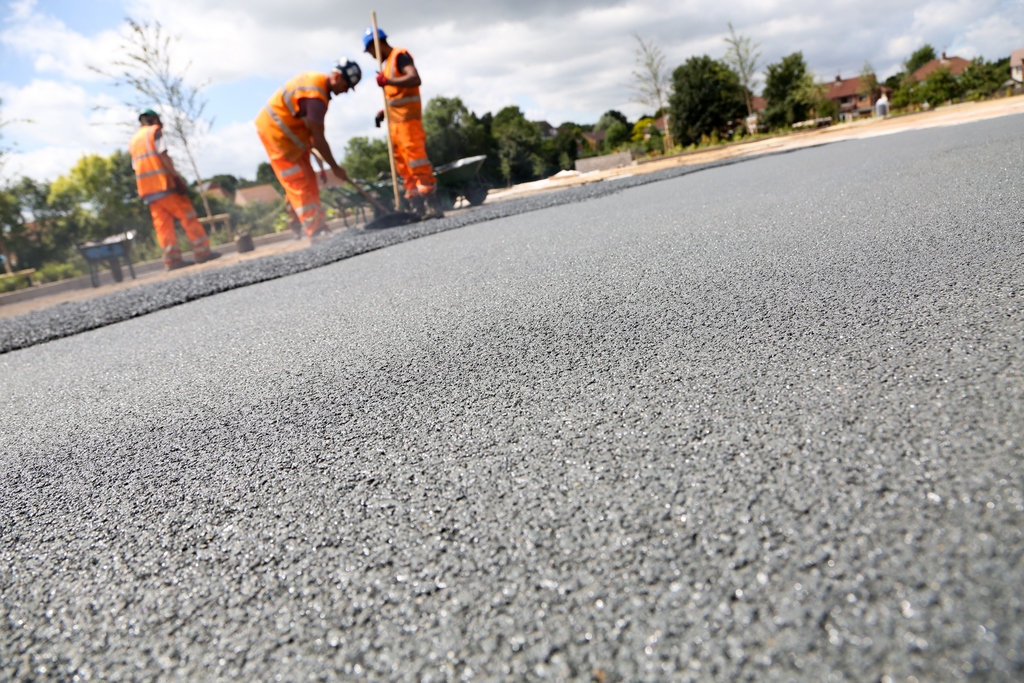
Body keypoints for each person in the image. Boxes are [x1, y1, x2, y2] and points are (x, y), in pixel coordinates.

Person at [255, 59, 361, 242]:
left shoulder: (316, 86)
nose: (346, 91)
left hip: (293, 137)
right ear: (336, 77)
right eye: (346, 85)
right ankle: (316, 231)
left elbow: (312, 135)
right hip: (277, 135)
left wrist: (321, 164)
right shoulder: (316, 97)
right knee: (299, 183)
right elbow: (319, 138)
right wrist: (335, 167)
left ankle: (320, 226)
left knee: (310, 181)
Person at [363, 27, 443, 219]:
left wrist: (388, 80)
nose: (372, 56)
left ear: (376, 45)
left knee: (417, 161)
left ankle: (431, 204)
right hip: (395, 123)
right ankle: (417, 207)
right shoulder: (387, 64)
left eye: (371, 51)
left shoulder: (400, 55)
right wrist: (384, 112)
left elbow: (414, 78)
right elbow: (396, 97)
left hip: (408, 121)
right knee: (403, 167)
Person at [129, 109, 218, 270]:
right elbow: (163, 155)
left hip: (148, 191)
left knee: (163, 226)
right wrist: (176, 177)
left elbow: (136, 166)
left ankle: (172, 260)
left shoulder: (134, 141)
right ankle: (202, 252)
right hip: (164, 185)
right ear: (155, 119)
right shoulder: (154, 132)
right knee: (188, 215)